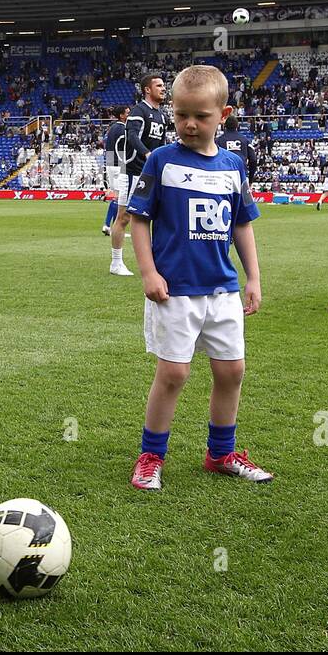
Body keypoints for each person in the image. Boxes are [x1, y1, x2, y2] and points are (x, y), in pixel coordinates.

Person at [126, 65, 270, 491]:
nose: (189, 124)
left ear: (223, 114)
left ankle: (221, 453)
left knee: (232, 371)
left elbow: (242, 225)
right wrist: (148, 272)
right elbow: (138, 219)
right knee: (173, 374)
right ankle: (151, 455)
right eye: (181, 114)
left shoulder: (233, 166)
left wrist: (253, 278)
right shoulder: (161, 160)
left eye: (201, 116)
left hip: (222, 288)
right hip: (175, 292)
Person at [111, 72, 168, 276]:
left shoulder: (162, 115)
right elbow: (132, 135)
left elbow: (161, 143)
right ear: (147, 89)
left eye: (163, 85)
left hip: (151, 173)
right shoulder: (138, 110)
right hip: (133, 171)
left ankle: (156, 261)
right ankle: (116, 262)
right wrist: (147, 154)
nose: (163, 88)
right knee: (124, 217)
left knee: (154, 216)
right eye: (159, 85)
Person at [101, 105, 128, 235]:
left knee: (117, 196)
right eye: (127, 112)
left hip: (111, 162)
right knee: (120, 197)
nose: (129, 115)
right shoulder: (123, 128)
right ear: (121, 115)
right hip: (119, 164)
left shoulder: (112, 128)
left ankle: (109, 226)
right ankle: (109, 225)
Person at [215, 113, 257, 184]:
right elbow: (253, 160)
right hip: (241, 175)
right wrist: (250, 179)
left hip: (223, 176)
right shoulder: (245, 140)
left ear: (225, 126)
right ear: (237, 126)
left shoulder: (218, 141)